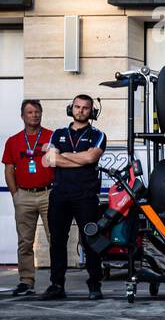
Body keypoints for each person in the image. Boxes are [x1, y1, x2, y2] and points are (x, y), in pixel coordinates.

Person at [40, 95, 106, 301]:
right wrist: (78, 158)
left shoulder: (98, 134)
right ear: (71, 108)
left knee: (90, 240)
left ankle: (95, 284)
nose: (81, 111)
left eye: (85, 108)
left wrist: (62, 156)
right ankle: (56, 284)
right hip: (60, 195)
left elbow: (90, 157)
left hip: (85, 196)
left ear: (92, 112)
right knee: (57, 240)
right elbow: (48, 160)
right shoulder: (58, 133)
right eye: (77, 107)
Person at [3, 99, 54, 297]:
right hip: (23, 195)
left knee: (55, 239)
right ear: (22, 116)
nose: (34, 115)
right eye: (30, 112)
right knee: (25, 241)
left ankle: (57, 281)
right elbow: (9, 169)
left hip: (49, 194)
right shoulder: (13, 141)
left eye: (37, 112)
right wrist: (15, 194)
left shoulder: (51, 137)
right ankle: (26, 281)